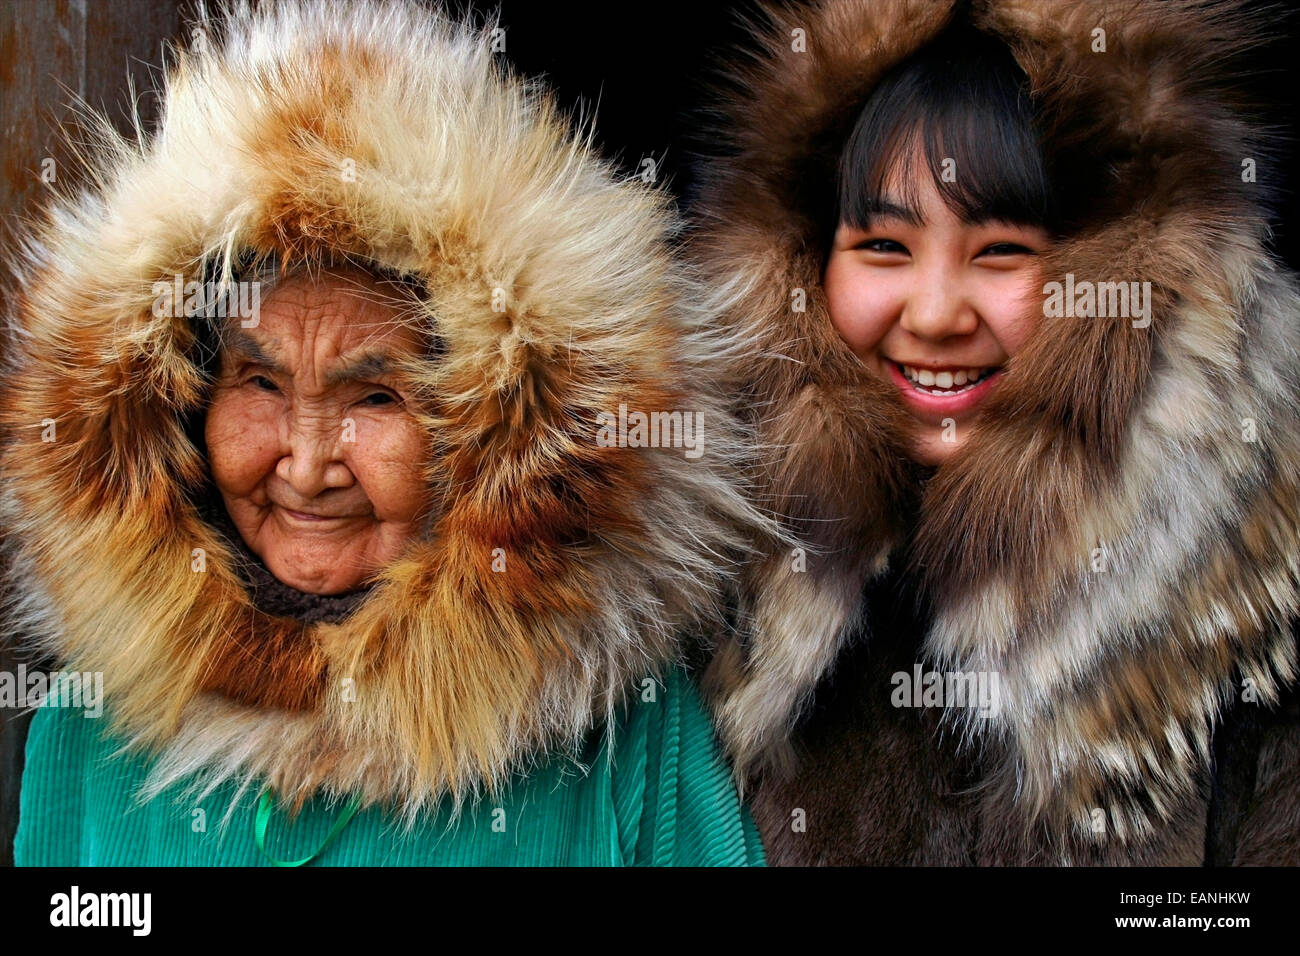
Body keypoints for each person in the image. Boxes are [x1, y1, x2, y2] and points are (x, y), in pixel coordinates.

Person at [1, 0, 767, 866]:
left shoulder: (627, 737)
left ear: (491, 441)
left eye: (374, 398)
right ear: (181, 405)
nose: (305, 467)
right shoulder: (96, 716)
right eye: (259, 381)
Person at [693, 0, 1300, 864]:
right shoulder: (705, 595)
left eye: (1002, 251)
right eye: (883, 247)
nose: (936, 315)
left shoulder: (1247, 594)